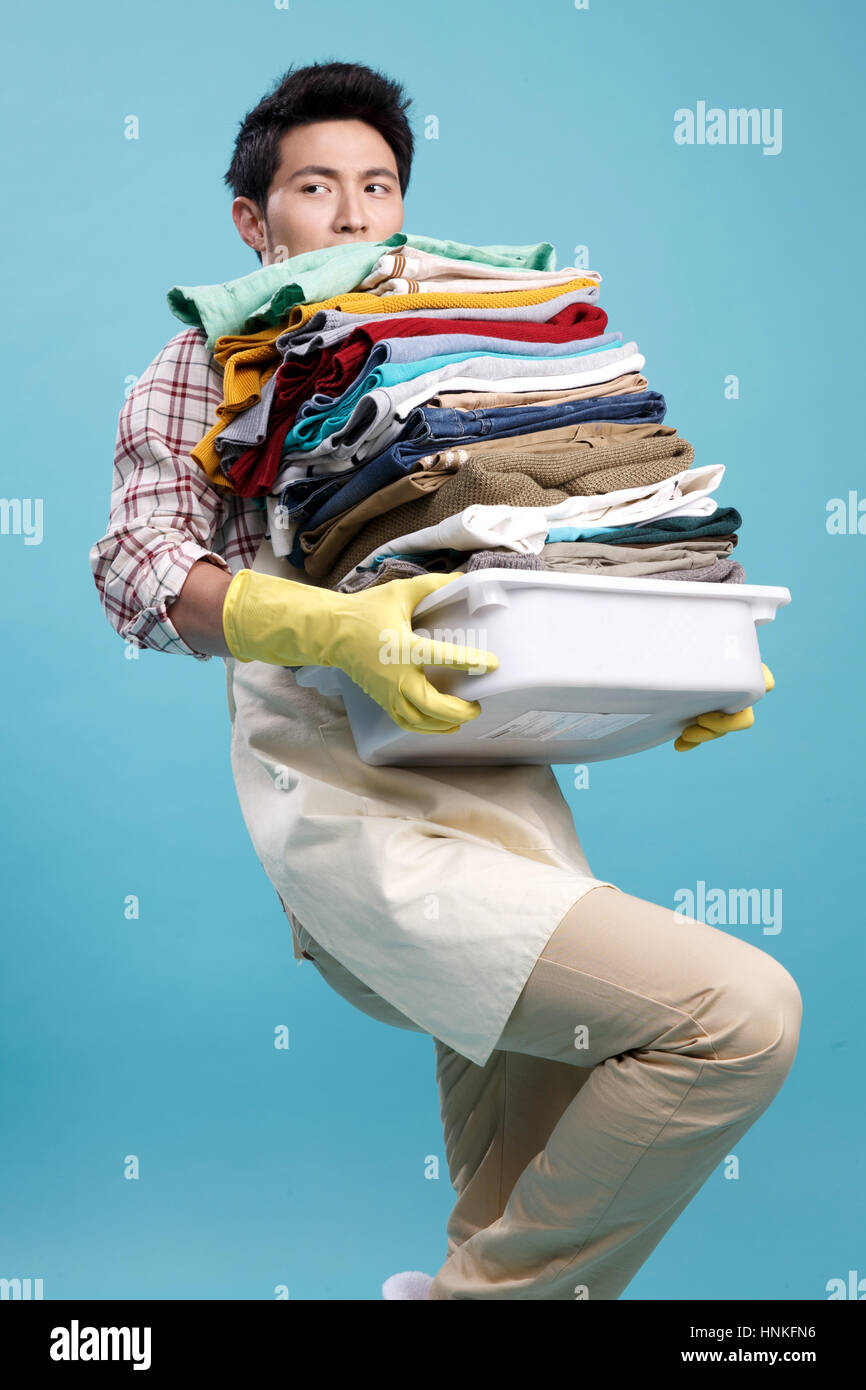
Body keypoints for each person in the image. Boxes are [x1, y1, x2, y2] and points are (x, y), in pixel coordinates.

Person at [89, 59, 802, 1301]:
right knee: (733, 1015)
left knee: (507, 1195)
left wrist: (670, 648)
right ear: (255, 222)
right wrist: (327, 623)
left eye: (379, 187)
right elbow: (141, 570)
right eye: (317, 187)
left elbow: (569, 525)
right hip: (358, 831)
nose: (355, 214)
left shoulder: (464, 342)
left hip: (509, 810)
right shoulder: (211, 363)